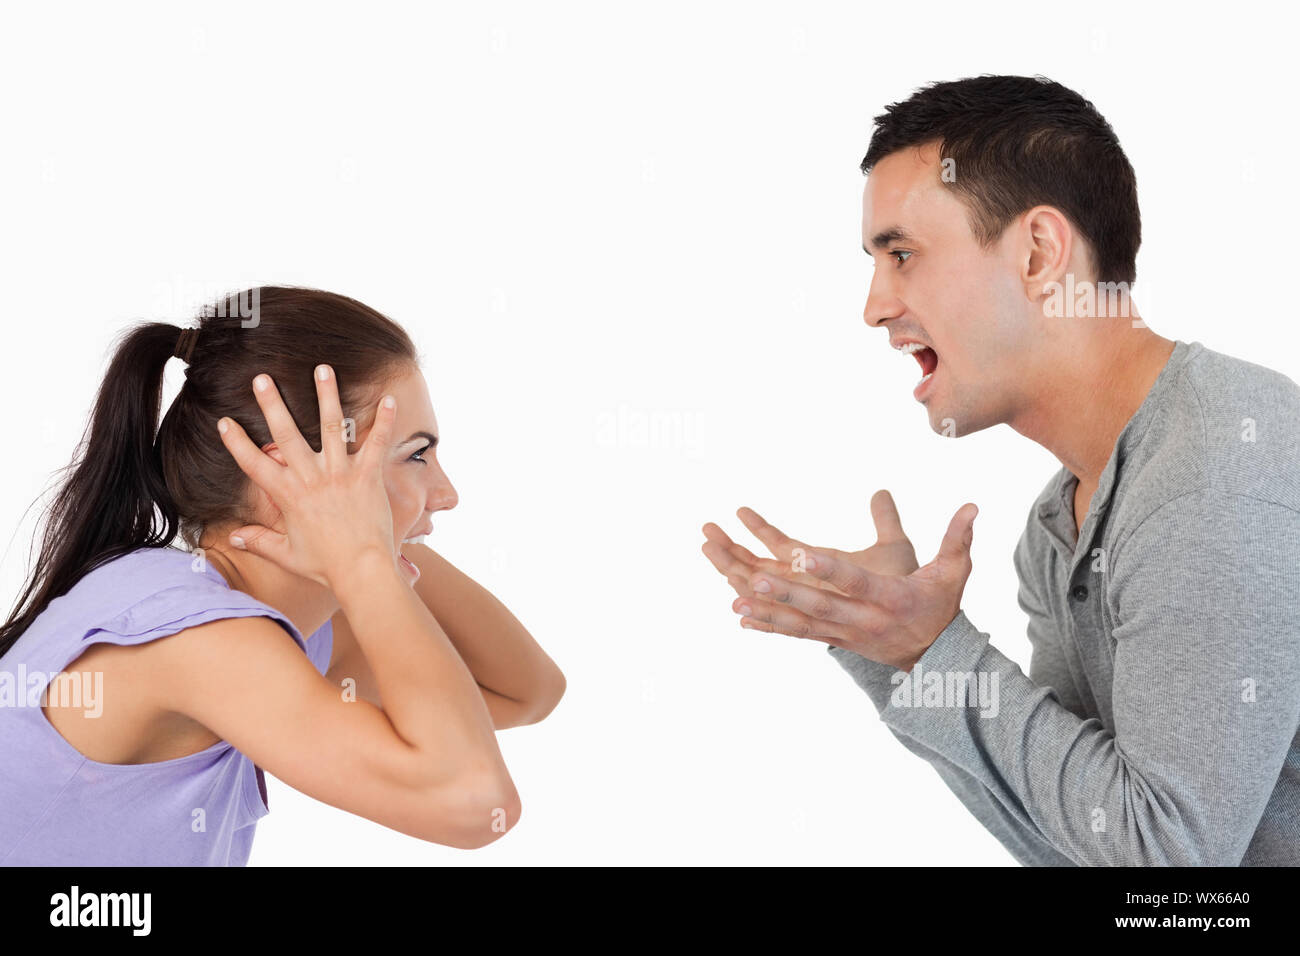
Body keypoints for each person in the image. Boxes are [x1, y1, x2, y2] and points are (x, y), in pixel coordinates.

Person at [701, 75, 1300, 866]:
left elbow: (1171, 867)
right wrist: (900, 654)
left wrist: (936, 651)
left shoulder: (1216, 471)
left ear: (1039, 253)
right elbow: (1082, 849)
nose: (874, 306)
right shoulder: (1059, 525)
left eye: (903, 253)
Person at [0, 286, 564, 865]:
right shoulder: (193, 635)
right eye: (416, 455)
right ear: (284, 477)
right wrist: (361, 552)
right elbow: (473, 802)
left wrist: (361, 536)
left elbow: (526, 691)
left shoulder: (280, 630)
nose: (446, 496)